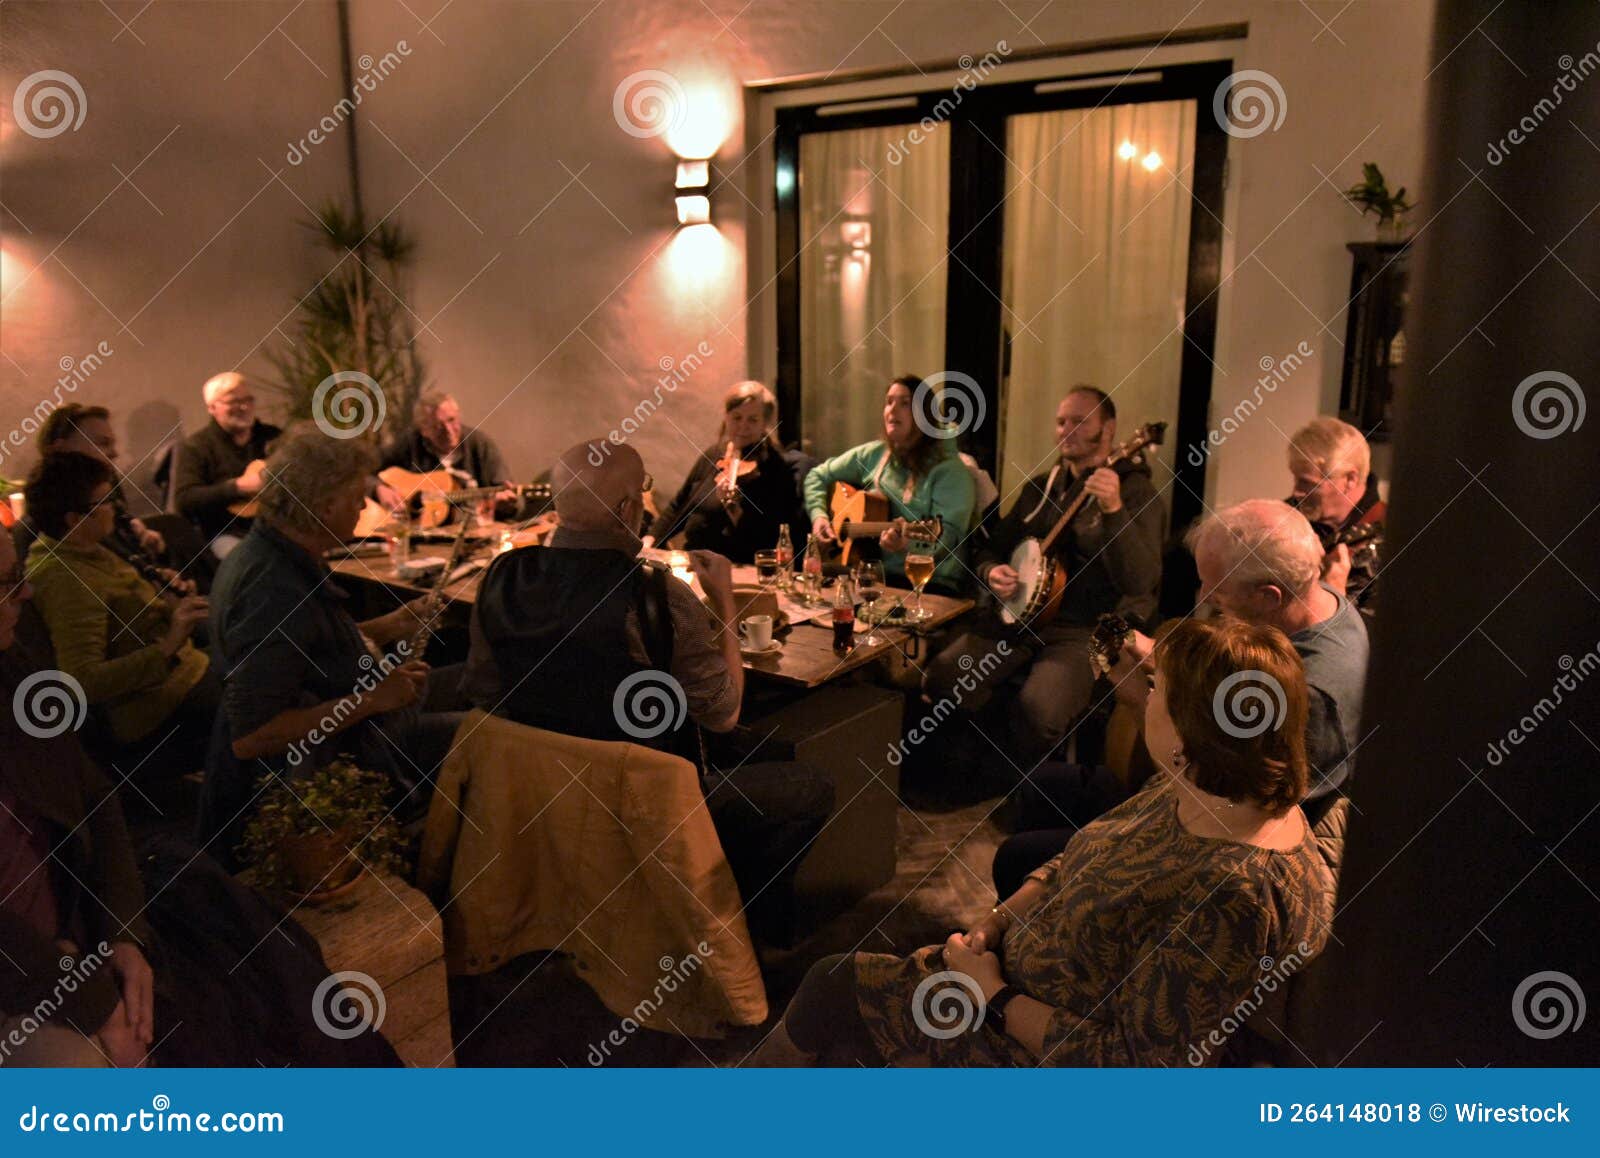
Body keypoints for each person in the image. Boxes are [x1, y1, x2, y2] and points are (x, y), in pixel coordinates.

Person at [762, 618, 1334, 1066]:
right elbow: (1076, 859)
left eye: (1158, 688)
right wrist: (996, 922)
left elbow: (1141, 1069)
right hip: (1003, 975)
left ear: (1192, 732)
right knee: (834, 1001)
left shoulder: (1234, 893)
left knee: (831, 989)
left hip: (1026, 1046)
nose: (1142, 696)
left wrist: (995, 995)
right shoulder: (1201, 787)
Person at [0, 529, 400, 1068]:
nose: (24, 595)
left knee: (266, 975)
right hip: (29, 978)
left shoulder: (11, 667)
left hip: (78, 926)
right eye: (7, 583)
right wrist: (88, 998)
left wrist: (123, 933)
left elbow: (95, 794)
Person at [463, 439, 833, 943]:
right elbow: (723, 712)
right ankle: (735, 932)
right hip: (642, 802)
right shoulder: (656, 596)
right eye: (644, 491)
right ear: (629, 508)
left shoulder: (501, 577)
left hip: (541, 793)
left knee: (763, 750)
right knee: (810, 785)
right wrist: (724, 600)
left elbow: (485, 692)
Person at [993, 497, 1371, 895]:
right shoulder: (1312, 597)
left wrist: (1140, 699)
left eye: (1218, 586)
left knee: (1018, 857)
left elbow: (1223, 808)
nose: (1206, 595)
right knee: (1041, 788)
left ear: (1268, 596)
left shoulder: (1312, 695)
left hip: (1223, 852)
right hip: (1195, 796)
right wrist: (1165, 656)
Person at [199, 423, 467, 863]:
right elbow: (252, 736)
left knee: (474, 681)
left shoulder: (286, 550)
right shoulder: (271, 588)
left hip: (356, 719)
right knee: (481, 734)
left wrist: (388, 626)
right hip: (320, 770)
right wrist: (373, 699)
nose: (364, 505)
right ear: (323, 507)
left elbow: (308, 652)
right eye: (354, 496)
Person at [923, 386, 1165, 769]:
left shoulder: (1135, 492)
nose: (1066, 429)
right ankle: (982, 766)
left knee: (1039, 707)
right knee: (945, 675)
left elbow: (1140, 580)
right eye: (1060, 421)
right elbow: (989, 550)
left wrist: (1114, 510)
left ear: (1108, 429)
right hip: (1019, 620)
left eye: (1079, 421)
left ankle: (1035, 791)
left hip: (1083, 631)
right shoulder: (1041, 488)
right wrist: (991, 572)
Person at [23, 452, 220, 773]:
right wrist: (169, 644)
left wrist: (166, 600)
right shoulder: (64, 579)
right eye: (106, 500)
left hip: (181, 673)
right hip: (154, 707)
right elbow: (81, 680)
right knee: (271, 690)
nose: (115, 506)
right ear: (75, 519)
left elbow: (126, 618)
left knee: (264, 654)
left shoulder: (86, 546)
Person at [802, 376, 976, 594]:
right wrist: (819, 516)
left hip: (930, 586)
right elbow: (817, 475)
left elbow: (950, 538)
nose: (893, 410)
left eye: (905, 403)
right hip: (874, 577)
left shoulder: (950, 472)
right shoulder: (874, 454)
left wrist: (907, 546)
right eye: (889, 401)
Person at [643, 381, 808, 562]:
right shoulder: (713, 455)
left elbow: (768, 538)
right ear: (726, 417)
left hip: (736, 566)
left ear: (764, 424)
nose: (743, 426)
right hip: (692, 559)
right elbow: (679, 505)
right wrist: (651, 539)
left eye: (752, 420)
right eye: (736, 417)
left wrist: (734, 509)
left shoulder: (775, 468)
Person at [175, 371, 281, 558]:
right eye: (233, 402)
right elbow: (185, 499)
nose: (243, 407)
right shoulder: (196, 447)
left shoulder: (273, 437)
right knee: (250, 563)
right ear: (212, 407)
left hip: (280, 527)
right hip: (227, 533)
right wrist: (238, 487)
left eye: (248, 399)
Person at [1287, 416, 1386, 608]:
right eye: (1296, 480)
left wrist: (1335, 598)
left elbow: (1372, 635)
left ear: (1350, 479)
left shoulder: (1391, 543)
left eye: (1308, 483)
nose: (1296, 492)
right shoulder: (1287, 517)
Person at [378, 390, 519, 517]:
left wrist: (506, 505)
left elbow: (512, 499)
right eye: (438, 426)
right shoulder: (409, 444)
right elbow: (363, 472)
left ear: (459, 416)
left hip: (475, 534)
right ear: (424, 430)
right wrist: (379, 489)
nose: (448, 430)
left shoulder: (480, 444)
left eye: (452, 420)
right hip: (424, 537)